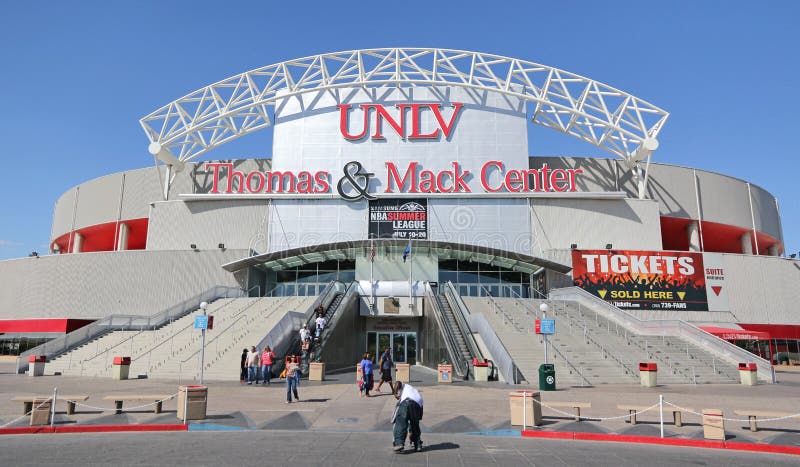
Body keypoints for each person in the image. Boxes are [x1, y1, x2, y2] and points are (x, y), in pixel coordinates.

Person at [392, 381, 424, 452]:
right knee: (415, 425)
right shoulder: (415, 392)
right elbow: (419, 416)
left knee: (401, 422)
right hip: (417, 405)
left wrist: (394, 393)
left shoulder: (404, 385)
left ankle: (399, 443)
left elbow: (397, 383)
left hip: (406, 402)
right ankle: (418, 444)